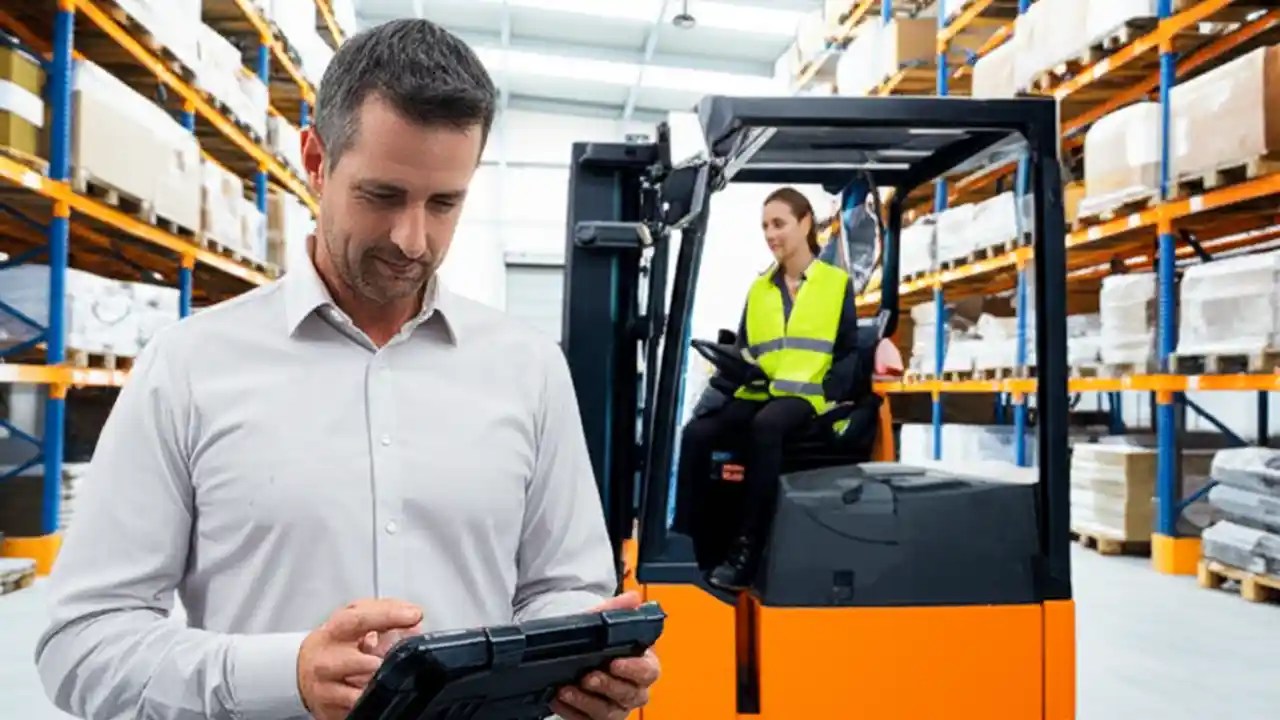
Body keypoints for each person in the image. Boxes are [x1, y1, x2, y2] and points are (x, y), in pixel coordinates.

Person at [34, 18, 659, 720]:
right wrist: (284, 674)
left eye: (444, 203)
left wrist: (588, 661)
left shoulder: (529, 368)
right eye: (382, 195)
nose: (412, 239)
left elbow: (563, 588)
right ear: (316, 159)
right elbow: (81, 645)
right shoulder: (188, 368)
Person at [677, 187, 860, 592]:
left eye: (779, 224)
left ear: (806, 223)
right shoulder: (759, 289)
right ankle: (689, 541)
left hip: (807, 395)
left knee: (766, 427)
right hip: (761, 391)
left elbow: (847, 348)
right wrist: (723, 386)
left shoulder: (835, 284)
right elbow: (745, 348)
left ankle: (747, 550)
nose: (771, 234)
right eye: (765, 226)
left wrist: (832, 389)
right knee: (698, 433)